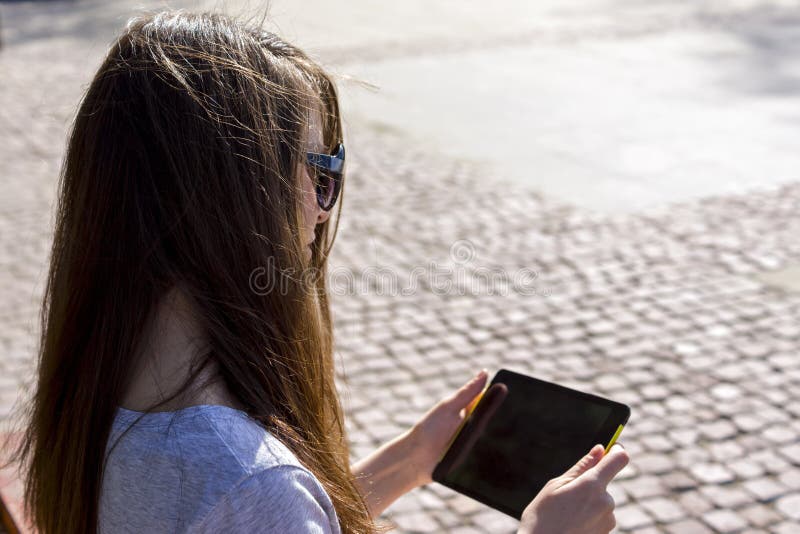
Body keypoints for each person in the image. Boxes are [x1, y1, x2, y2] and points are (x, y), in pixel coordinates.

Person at [6, 10, 629, 534]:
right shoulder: (249, 480)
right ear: (234, 193)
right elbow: (254, 506)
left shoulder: (94, 394)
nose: (324, 210)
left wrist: (411, 461)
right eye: (320, 169)